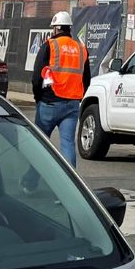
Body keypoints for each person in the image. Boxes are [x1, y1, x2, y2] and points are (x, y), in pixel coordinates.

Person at [33, 10, 88, 166]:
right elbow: (86, 79)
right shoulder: (81, 48)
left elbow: (37, 76)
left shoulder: (49, 45)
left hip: (49, 102)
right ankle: (70, 180)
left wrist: (38, 97)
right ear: (69, 28)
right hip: (71, 104)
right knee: (68, 144)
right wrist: (77, 97)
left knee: (40, 144)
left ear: (56, 28)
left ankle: (33, 178)